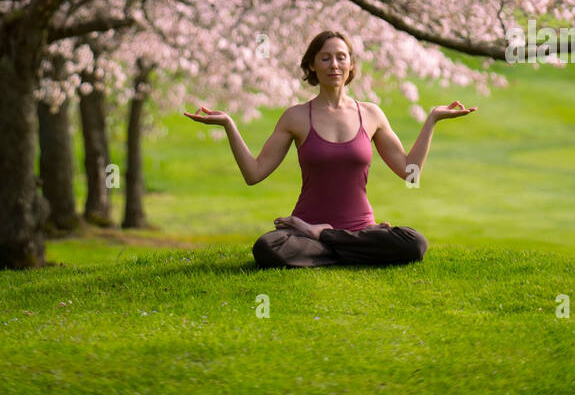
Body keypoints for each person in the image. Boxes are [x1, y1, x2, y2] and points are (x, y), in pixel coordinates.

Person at [184, 29, 477, 267]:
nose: (333, 65)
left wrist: (432, 120)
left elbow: (409, 173)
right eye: (325, 58)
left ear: (350, 65)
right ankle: (347, 248)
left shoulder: (371, 114)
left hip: (358, 229)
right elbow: (254, 173)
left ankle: (326, 238)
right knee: (267, 248)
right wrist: (229, 125)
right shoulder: (296, 117)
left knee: (415, 244)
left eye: (340, 58)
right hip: (305, 232)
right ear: (312, 65)